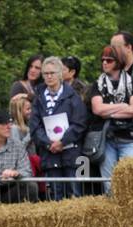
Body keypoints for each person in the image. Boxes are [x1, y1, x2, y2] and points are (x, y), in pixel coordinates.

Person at [29, 56, 87, 200]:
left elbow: (80, 123)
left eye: (52, 73)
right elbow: (35, 127)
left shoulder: (73, 97)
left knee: (75, 196)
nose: (49, 77)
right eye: (45, 74)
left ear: (60, 73)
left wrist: (63, 141)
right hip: (49, 155)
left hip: (72, 154)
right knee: (55, 197)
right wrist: (49, 143)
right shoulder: (38, 98)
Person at [90, 47, 133, 189]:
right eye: (103, 60)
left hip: (130, 137)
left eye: (109, 60)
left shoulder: (132, 82)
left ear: (118, 62)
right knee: (109, 185)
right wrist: (123, 106)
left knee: (131, 182)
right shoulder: (98, 84)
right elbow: (97, 109)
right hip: (107, 139)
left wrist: (109, 113)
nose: (105, 63)